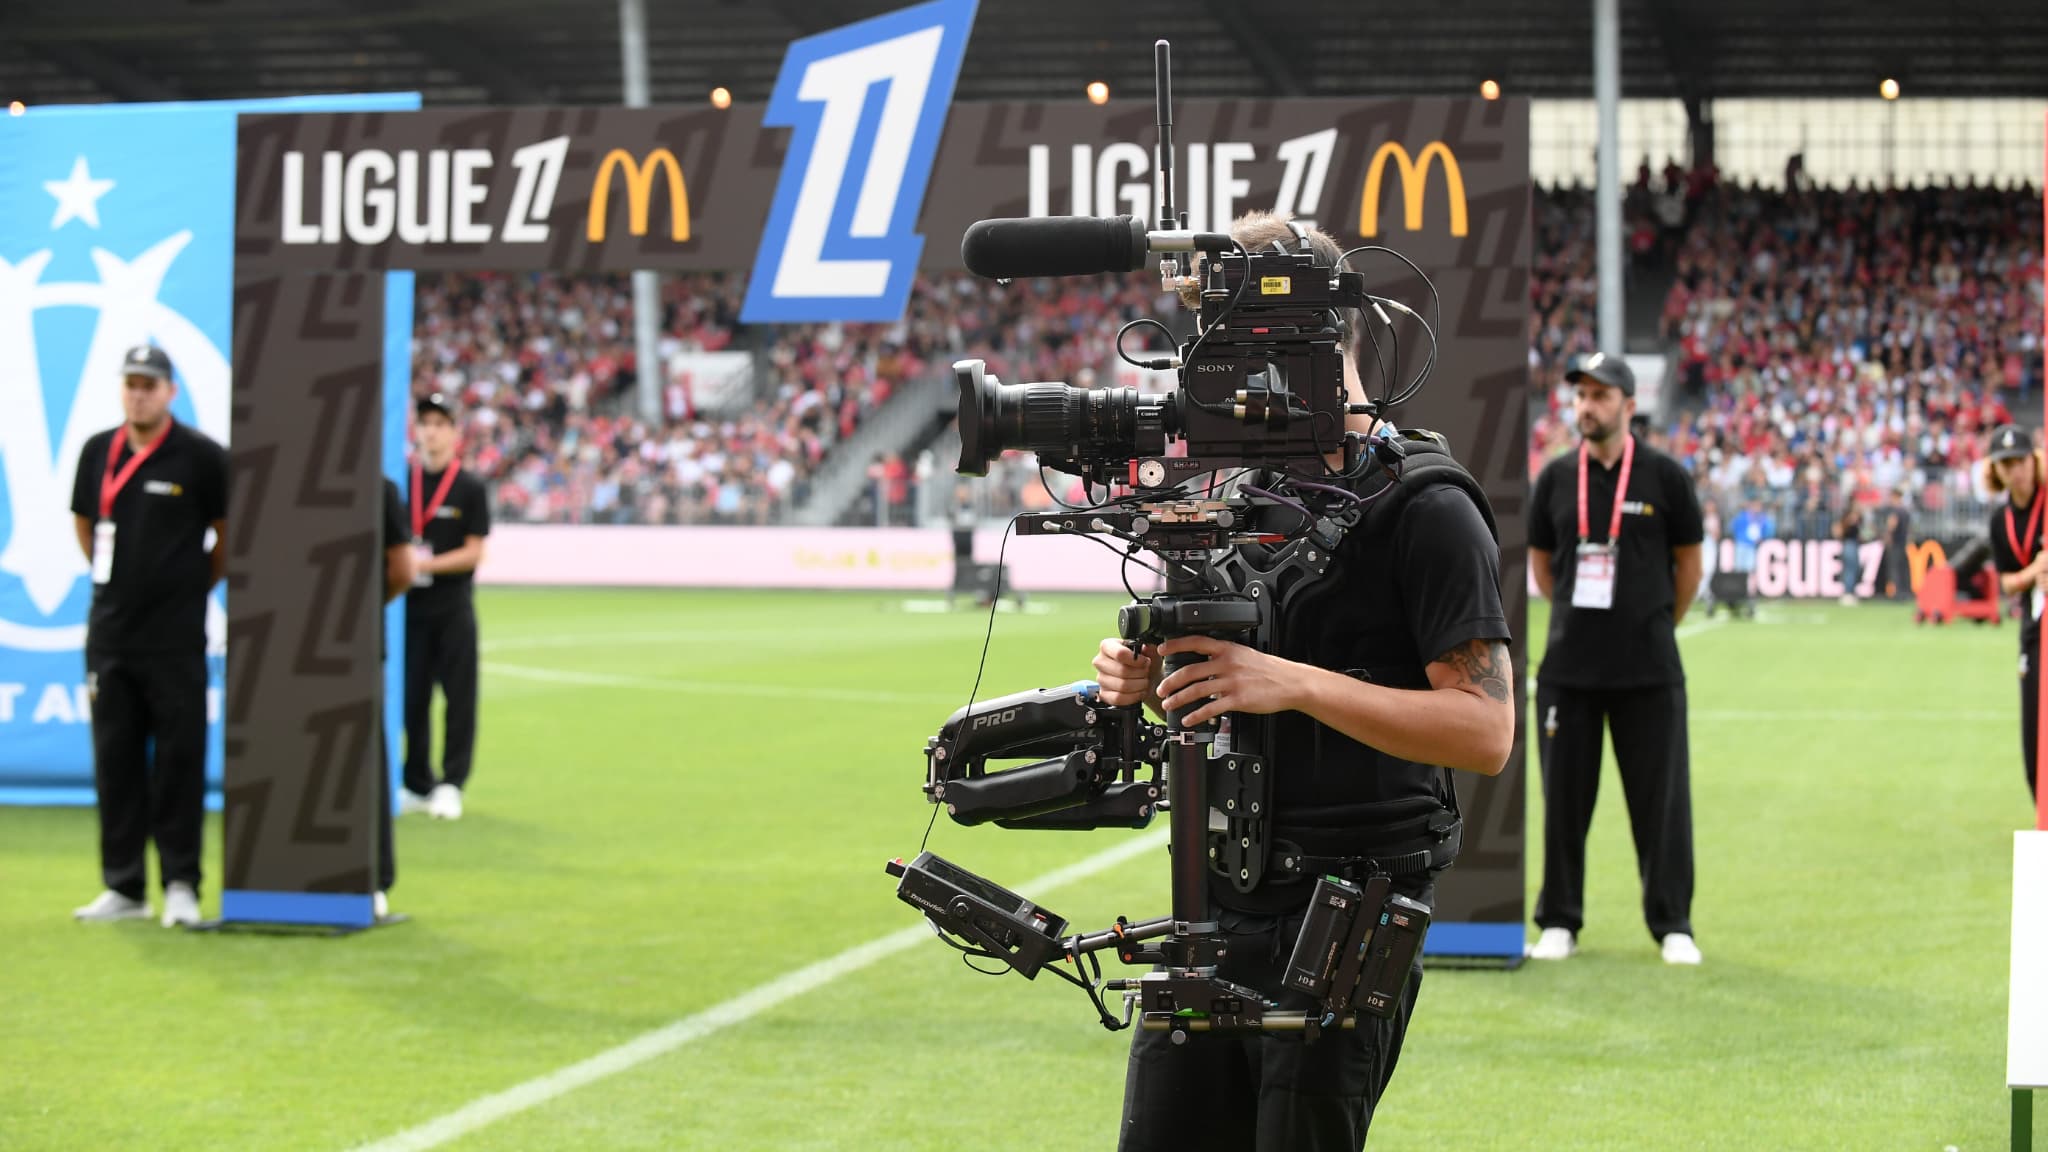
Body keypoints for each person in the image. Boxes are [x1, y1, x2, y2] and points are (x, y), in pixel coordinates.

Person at [1089, 211, 1515, 1150]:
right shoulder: (1223, 495)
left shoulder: (1428, 505)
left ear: (1315, 333)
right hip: (1213, 901)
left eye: (1232, 338)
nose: (1214, 366)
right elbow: (1204, 679)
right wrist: (1143, 675)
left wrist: (1293, 682)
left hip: (1346, 915)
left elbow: (1485, 733)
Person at [1526, 352, 1705, 965]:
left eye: (1601, 396)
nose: (1588, 406)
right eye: (1581, 395)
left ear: (1630, 406)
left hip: (1649, 670)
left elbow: (1689, 568)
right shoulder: (1553, 478)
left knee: (1662, 803)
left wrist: (1649, 622)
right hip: (1568, 671)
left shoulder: (1665, 477)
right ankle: (1559, 920)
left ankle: (1672, 923)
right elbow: (1544, 568)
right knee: (1563, 802)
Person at [67, 345, 228, 927]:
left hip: (176, 638)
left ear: (171, 391)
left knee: (181, 761)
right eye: (131, 383)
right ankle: (125, 886)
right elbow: (86, 523)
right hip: (110, 636)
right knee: (116, 762)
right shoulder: (97, 451)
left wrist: (188, 588)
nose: (140, 393)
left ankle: (182, 882)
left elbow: (225, 533)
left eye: (150, 384)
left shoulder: (203, 457)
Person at [401, 393, 490, 821]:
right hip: (410, 609)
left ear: (454, 431)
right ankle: (417, 782)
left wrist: (428, 563)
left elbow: (475, 552)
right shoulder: (404, 481)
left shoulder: (469, 487)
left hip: (453, 607)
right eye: (425, 423)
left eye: (439, 423)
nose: (431, 431)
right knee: (411, 699)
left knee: (459, 699)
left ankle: (452, 782)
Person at [1984, 424, 2044, 804]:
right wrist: (2034, 572)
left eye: (2019, 460)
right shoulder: (2000, 521)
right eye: (2005, 464)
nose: (2015, 470)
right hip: (2035, 625)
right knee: (2034, 731)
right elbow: (2006, 582)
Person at [376, 477, 414, 917]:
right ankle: (373, 881)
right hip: (353, 642)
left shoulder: (378, 488)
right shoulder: (377, 484)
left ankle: (374, 877)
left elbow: (403, 570)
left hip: (293, 647)